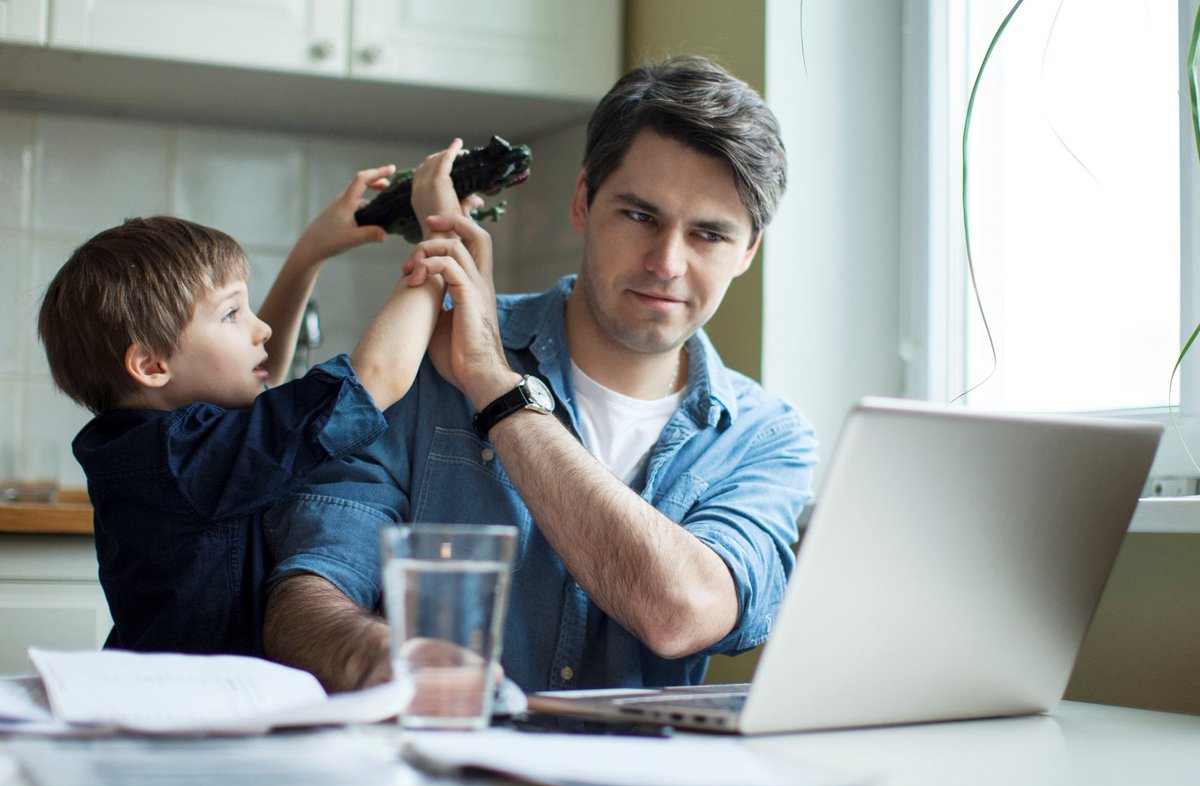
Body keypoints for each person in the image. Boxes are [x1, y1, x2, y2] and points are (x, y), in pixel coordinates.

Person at [262, 56, 818, 693]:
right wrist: (375, 659)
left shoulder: (767, 440)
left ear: (748, 251)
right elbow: (308, 591)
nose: (667, 263)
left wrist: (494, 388)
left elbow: (682, 613)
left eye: (710, 235)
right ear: (583, 203)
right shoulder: (420, 350)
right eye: (640, 216)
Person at [36, 142, 474, 656]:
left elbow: (264, 376)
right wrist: (439, 235)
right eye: (230, 315)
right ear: (152, 365)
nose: (260, 327)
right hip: (195, 711)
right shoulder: (184, 458)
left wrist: (312, 251)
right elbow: (377, 378)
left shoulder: (160, 445)